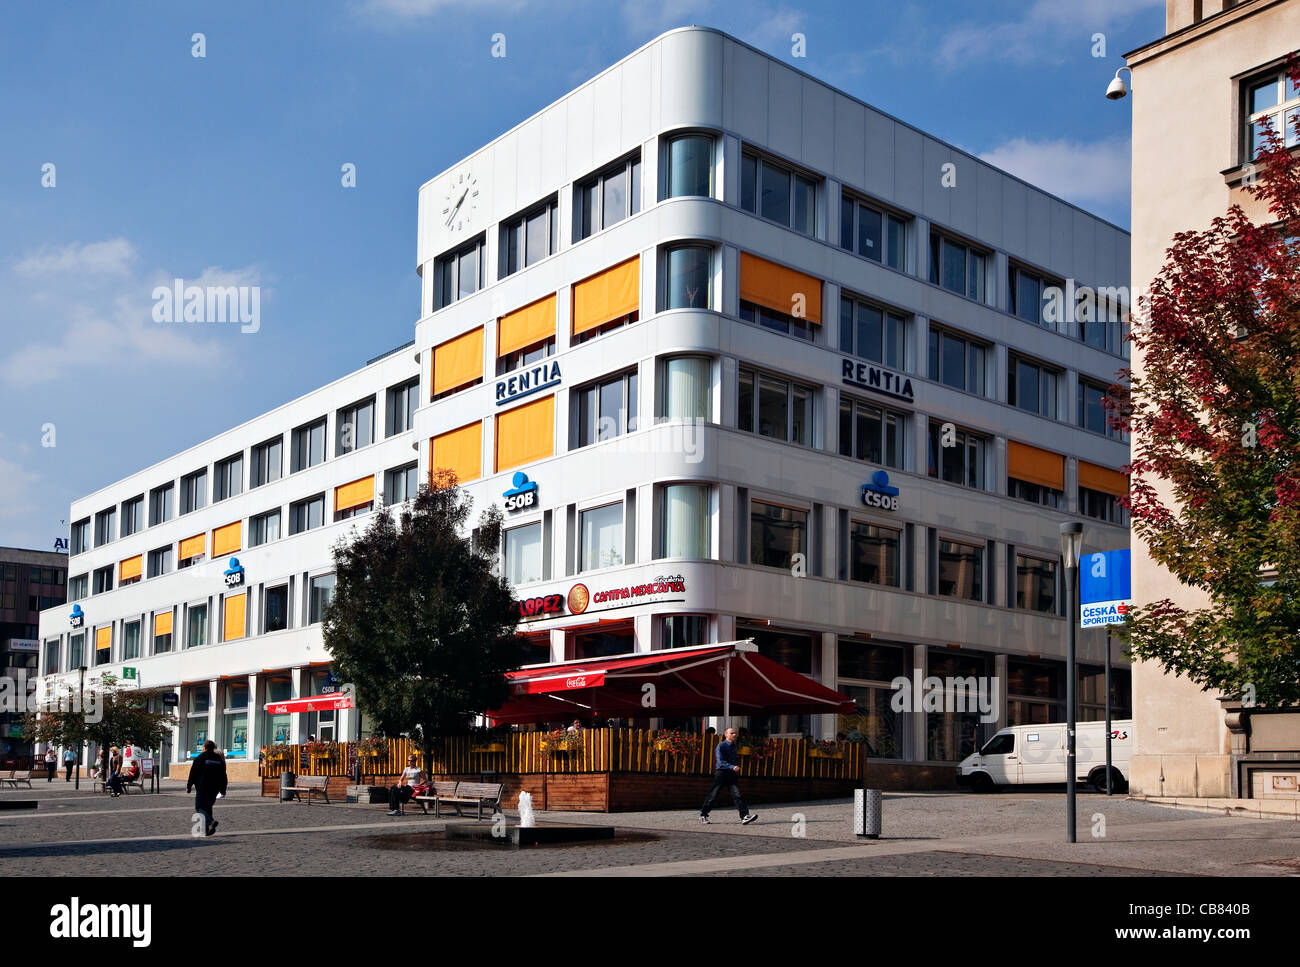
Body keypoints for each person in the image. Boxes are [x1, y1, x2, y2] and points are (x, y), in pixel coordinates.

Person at [699, 727, 757, 825]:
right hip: (721, 773)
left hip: (731, 774)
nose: (734, 735)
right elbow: (720, 761)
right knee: (713, 795)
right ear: (726, 735)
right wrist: (732, 767)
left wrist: (733, 768)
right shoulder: (721, 746)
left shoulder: (734, 746)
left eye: (735, 733)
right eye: (732, 733)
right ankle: (703, 815)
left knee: (737, 795)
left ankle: (744, 816)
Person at [187, 740, 228, 835]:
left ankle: (210, 821)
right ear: (213, 748)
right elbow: (223, 775)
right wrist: (223, 789)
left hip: (202, 787)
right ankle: (205, 830)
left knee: (199, 807)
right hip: (214, 788)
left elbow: (193, 773)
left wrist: (189, 786)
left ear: (204, 748)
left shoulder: (200, 758)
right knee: (208, 807)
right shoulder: (218, 758)